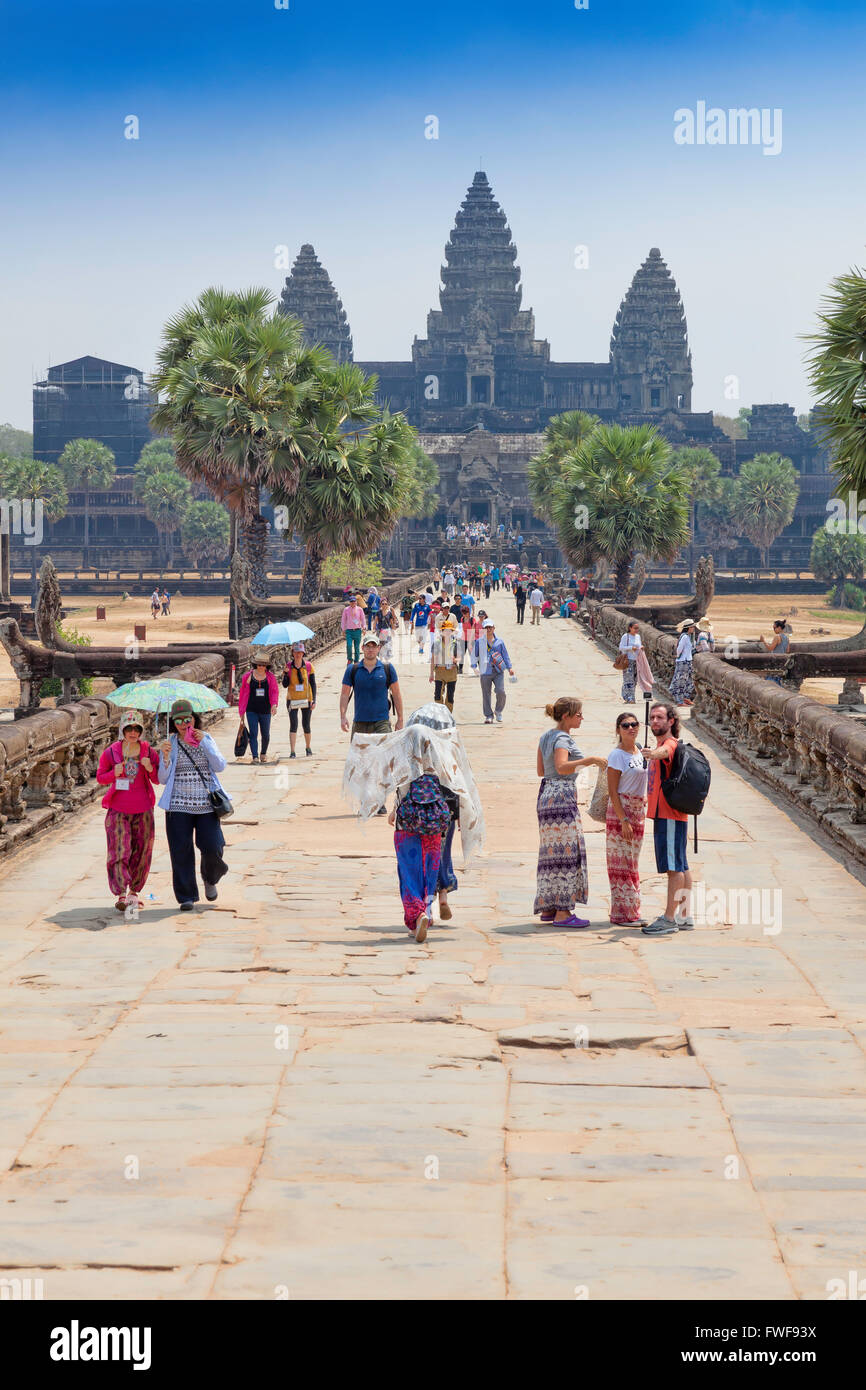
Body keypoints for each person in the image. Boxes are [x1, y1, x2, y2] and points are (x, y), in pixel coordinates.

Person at [343, 713, 484, 943]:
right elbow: (458, 787)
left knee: (409, 873)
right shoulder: (439, 763)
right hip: (433, 828)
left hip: (406, 826)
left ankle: (416, 914)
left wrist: (392, 811)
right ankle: (427, 911)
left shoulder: (405, 764)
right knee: (429, 871)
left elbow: (398, 790)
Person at [534, 696, 606, 927]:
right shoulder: (562, 738)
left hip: (546, 795)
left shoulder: (546, 736)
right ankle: (563, 913)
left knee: (551, 853)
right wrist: (591, 760)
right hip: (561, 797)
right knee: (567, 853)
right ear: (566, 716)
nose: (581, 718)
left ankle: (550, 907)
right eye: (578, 715)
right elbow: (561, 766)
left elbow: (540, 770)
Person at [158, 699, 229, 910]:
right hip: (178, 804)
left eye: (186, 719)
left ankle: (210, 878)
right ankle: (186, 896)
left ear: (193, 719)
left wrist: (204, 743)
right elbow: (162, 779)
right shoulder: (170, 742)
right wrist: (165, 757)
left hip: (206, 803)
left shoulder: (205, 738)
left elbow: (220, 766)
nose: (183, 723)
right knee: (181, 850)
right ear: (173, 722)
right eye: (178, 720)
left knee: (213, 846)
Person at [96, 712, 159, 912]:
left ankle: (134, 892)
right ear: (123, 730)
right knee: (119, 850)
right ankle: (121, 893)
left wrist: (150, 768)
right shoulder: (111, 752)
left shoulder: (148, 751)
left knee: (141, 851)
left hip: (143, 809)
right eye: (129, 728)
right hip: (118, 809)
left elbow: (158, 779)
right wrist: (112, 773)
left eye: (137, 729)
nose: (133, 732)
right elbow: (100, 778)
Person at [641, 702, 693, 936]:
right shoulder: (663, 743)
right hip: (670, 814)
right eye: (652, 718)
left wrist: (652, 754)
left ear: (671, 721)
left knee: (674, 868)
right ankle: (684, 915)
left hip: (668, 814)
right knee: (681, 865)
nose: (654, 722)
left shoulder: (669, 744)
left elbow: (665, 753)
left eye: (660, 718)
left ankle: (669, 918)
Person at [606, 712, 649, 927]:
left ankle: (632, 910)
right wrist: (623, 819)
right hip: (621, 812)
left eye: (634, 724)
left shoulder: (640, 751)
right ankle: (624, 913)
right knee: (621, 863)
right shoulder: (617, 755)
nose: (631, 728)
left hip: (638, 811)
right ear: (618, 730)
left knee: (632, 863)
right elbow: (613, 791)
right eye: (625, 725)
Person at [340, 632, 404, 738]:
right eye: (368, 646)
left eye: (373, 646)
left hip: (382, 722)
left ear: (378, 648)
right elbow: (344, 695)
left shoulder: (387, 669)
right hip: (360, 722)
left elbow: (396, 694)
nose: (370, 650)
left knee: (383, 754)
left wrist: (400, 719)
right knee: (359, 754)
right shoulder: (352, 669)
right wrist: (343, 716)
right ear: (362, 648)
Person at [238, 656, 279, 763]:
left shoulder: (270, 677)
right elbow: (243, 694)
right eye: (259, 665)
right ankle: (255, 756)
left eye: (263, 665)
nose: (261, 667)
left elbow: (274, 691)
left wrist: (274, 704)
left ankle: (263, 753)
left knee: (265, 734)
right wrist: (242, 711)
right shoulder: (248, 676)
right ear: (255, 665)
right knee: (253, 733)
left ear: (266, 666)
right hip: (251, 709)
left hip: (265, 710)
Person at [476, 618, 515, 724]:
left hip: (498, 671)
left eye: (490, 627)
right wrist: (474, 666)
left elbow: (505, 655)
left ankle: (498, 711)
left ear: (494, 628)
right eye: (486, 627)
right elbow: (475, 654)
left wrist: (509, 668)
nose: (488, 629)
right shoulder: (479, 641)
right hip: (485, 671)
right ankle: (488, 715)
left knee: (501, 691)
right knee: (486, 694)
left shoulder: (500, 642)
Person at [282, 642, 316, 758]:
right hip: (292, 699)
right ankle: (292, 750)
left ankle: (308, 747)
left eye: (300, 652)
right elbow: (285, 685)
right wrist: (286, 674)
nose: (298, 654)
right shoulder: (288, 666)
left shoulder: (308, 666)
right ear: (292, 653)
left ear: (303, 653)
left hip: (306, 698)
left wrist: (314, 700)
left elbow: (313, 684)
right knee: (293, 724)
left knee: (306, 724)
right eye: (296, 652)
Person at [430, 614, 460, 712]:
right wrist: (431, 674)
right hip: (439, 671)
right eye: (445, 630)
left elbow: (459, 658)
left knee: (450, 697)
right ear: (442, 631)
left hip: (452, 672)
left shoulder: (455, 643)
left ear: (452, 631)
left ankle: (448, 715)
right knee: (437, 696)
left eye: (449, 630)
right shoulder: (437, 643)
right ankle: (440, 713)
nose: (447, 632)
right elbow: (433, 659)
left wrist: (455, 660)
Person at [670, 621, 696, 706]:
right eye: (692, 627)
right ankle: (679, 701)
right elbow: (679, 649)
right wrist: (680, 657)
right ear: (688, 628)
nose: (693, 629)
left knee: (690, 681)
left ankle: (686, 698)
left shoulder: (689, 636)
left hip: (688, 661)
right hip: (683, 661)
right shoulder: (684, 637)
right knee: (681, 681)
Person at [759, 619, 790, 685]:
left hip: (775, 661)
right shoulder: (787, 638)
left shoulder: (777, 637)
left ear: (779, 628)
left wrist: (763, 641)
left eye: (774, 628)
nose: (774, 630)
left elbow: (770, 648)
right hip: (783, 660)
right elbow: (787, 650)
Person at [619, 620, 642, 703]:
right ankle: (630, 698)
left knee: (635, 680)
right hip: (628, 660)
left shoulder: (638, 636)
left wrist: (641, 648)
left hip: (636, 660)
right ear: (630, 628)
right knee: (629, 680)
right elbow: (621, 647)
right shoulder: (626, 636)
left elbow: (639, 645)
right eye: (635, 628)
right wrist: (631, 648)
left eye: (637, 628)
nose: (636, 630)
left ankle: (626, 695)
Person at [341, 594, 366, 662]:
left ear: (356, 602)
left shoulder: (360, 609)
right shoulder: (346, 610)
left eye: (354, 601)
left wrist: (364, 628)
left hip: (357, 630)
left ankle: (356, 660)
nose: (353, 603)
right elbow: (343, 620)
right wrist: (343, 629)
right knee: (349, 645)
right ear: (349, 602)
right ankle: (349, 659)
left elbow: (363, 619)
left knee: (356, 647)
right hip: (349, 631)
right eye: (351, 601)